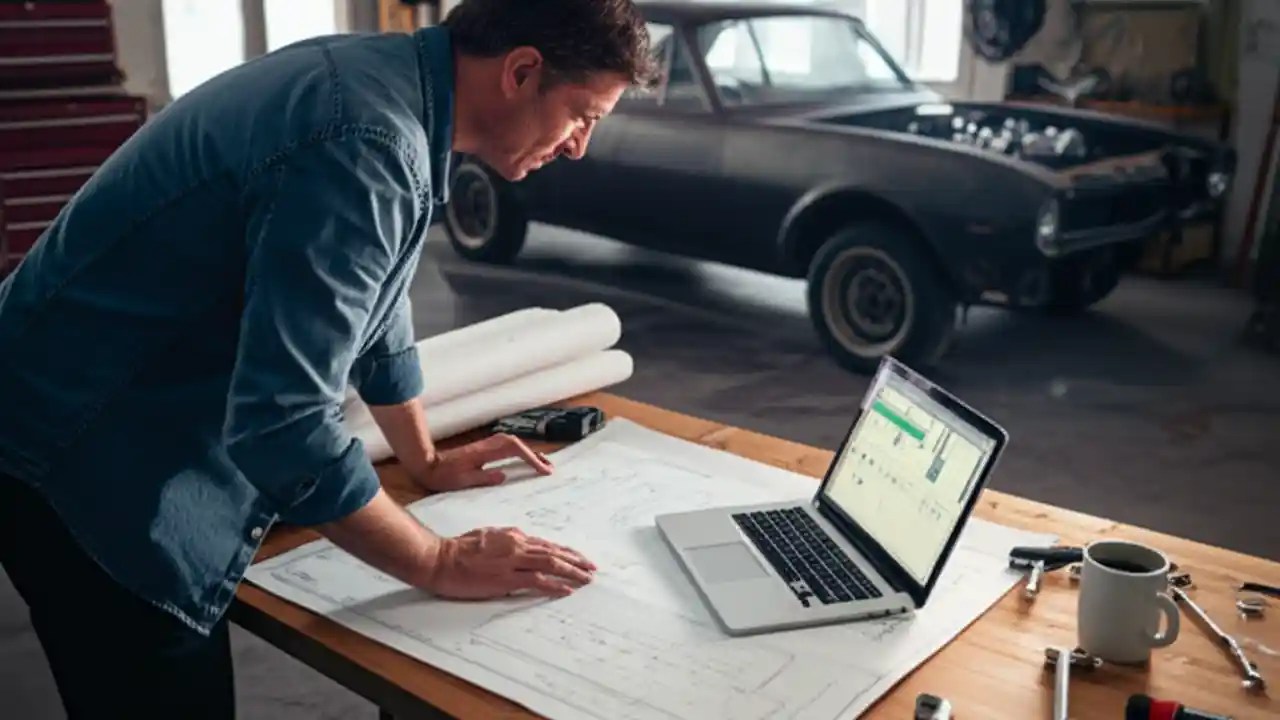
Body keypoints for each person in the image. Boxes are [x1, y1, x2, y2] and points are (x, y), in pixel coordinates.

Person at [0, 0, 659, 717]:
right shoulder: (366, 139)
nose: (580, 146)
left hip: (105, 402)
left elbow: (377, 307)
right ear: (522, 71)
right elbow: (280, 424)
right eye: (583, 115)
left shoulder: (392, 86)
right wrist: (438, 560)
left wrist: (424, 459)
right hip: (80, 454)